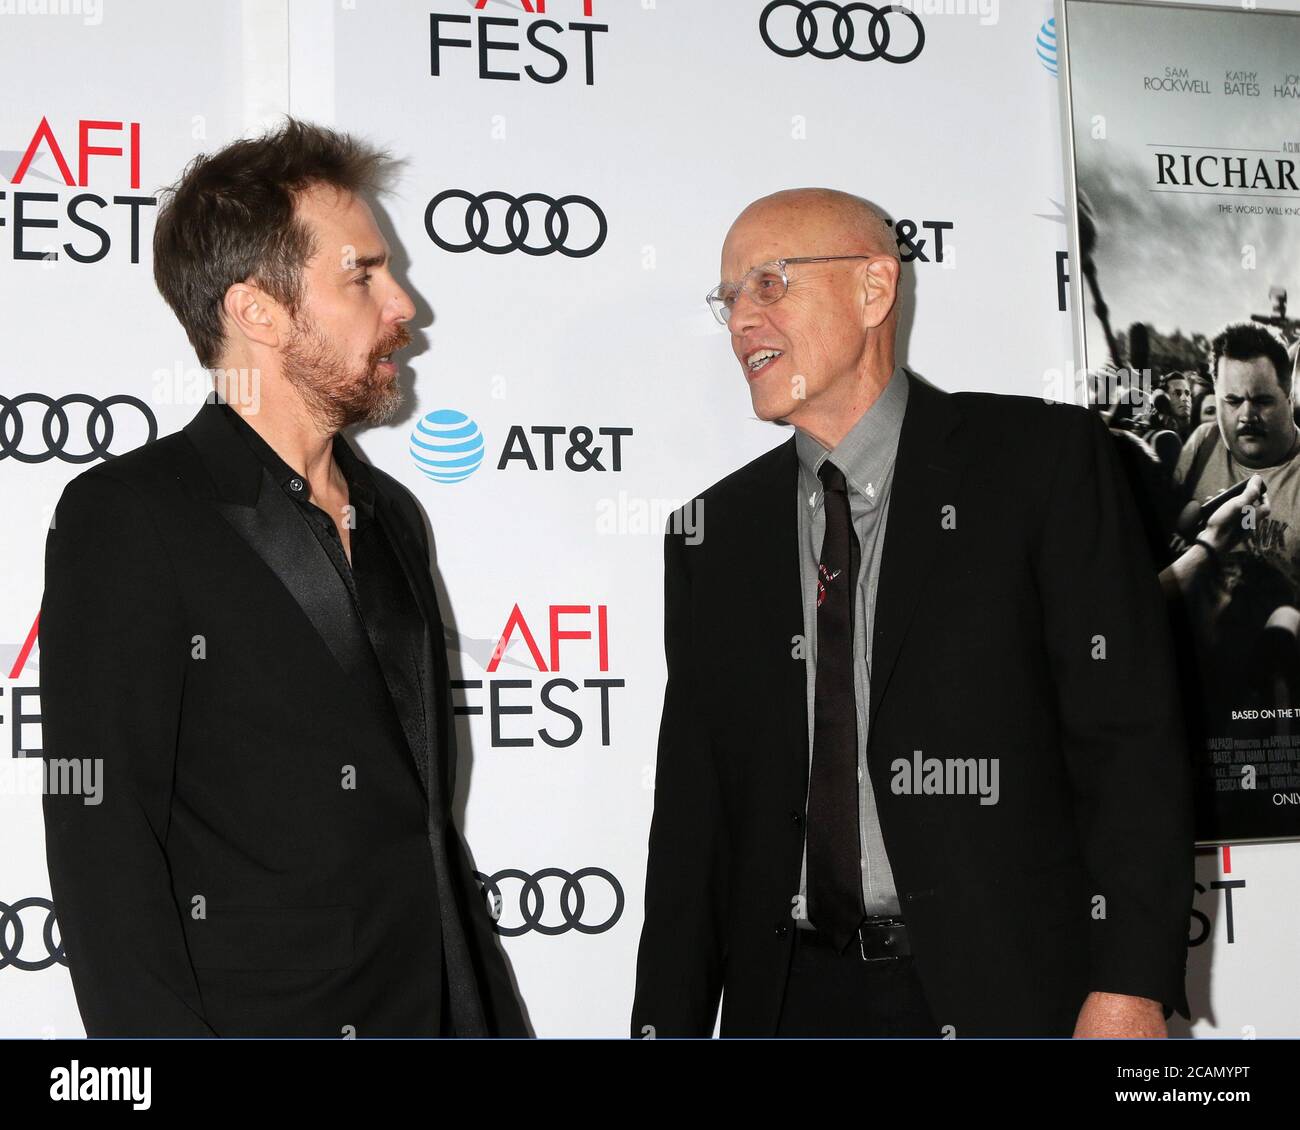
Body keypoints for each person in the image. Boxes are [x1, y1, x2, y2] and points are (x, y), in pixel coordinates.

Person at [632, 188, 1194, 1038]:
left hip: (1012, 995)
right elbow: (693, 821)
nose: (742, 319)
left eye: (770, 283)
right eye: (730, 298)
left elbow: (1128, 745)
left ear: (874, 290)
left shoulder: (1040, 466)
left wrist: (1129, 987)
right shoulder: (712, 535)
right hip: (791, 1006)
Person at [39, 118, 525, 1037]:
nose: (403, 307)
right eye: (363, 275)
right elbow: (101, 843)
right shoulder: (131, 514)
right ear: (256, 309)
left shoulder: (391, 516)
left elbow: (423, 829)